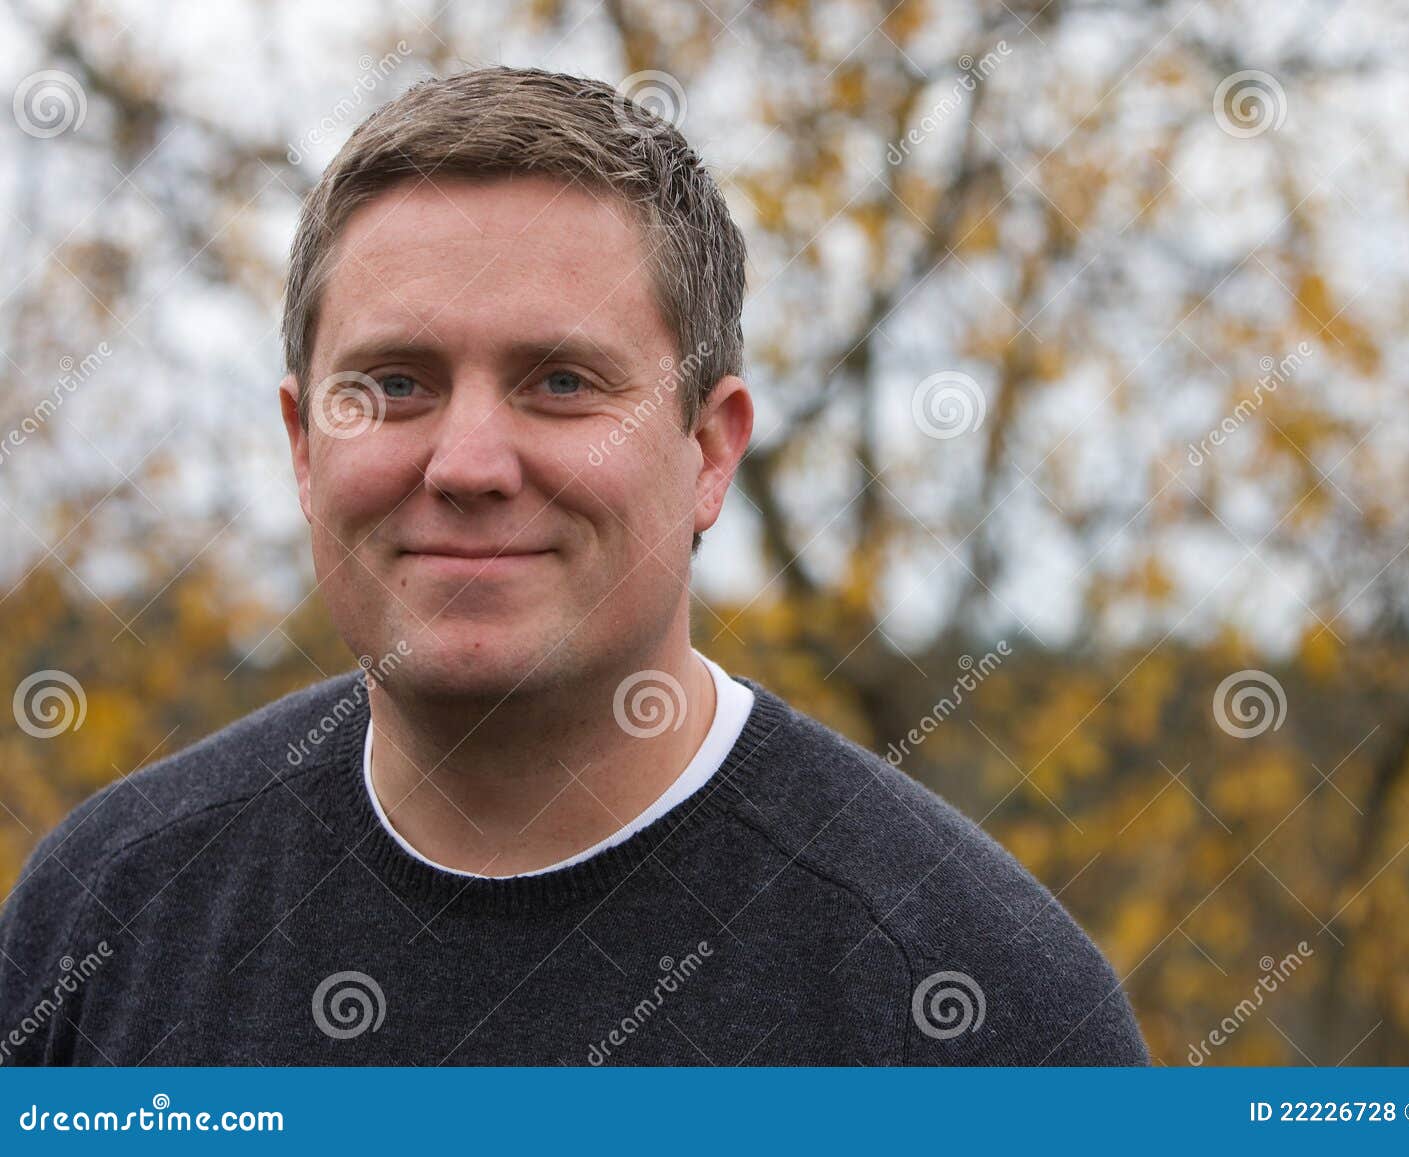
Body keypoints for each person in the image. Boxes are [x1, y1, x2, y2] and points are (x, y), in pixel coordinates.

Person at [0, 66, 1147, 1066]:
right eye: (395, 383)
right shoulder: (104, 918)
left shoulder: (979, 1003)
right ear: (304, 446)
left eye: (560, 382)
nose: (468, 464)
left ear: (709, 450)